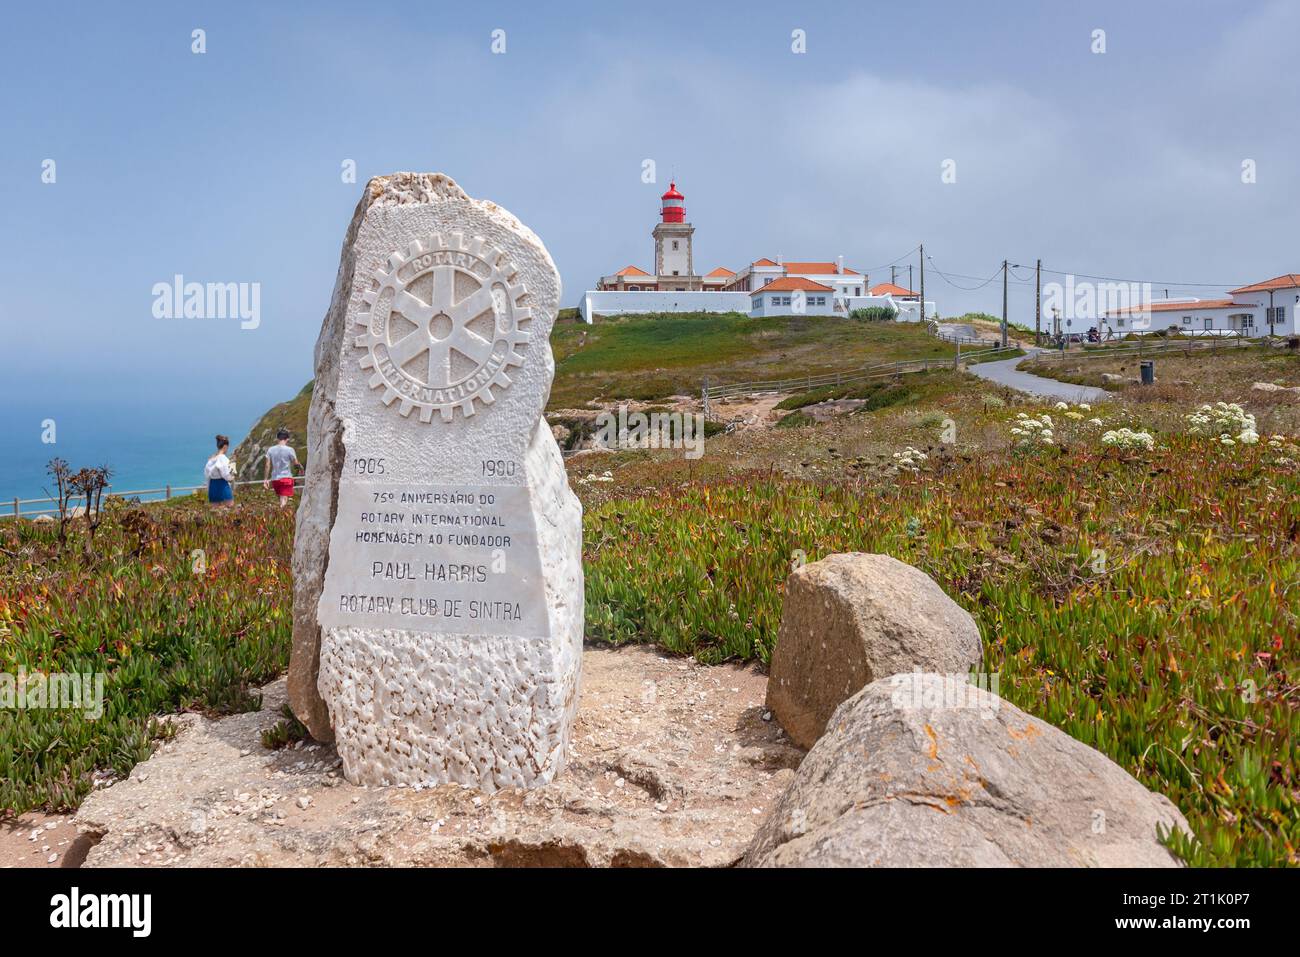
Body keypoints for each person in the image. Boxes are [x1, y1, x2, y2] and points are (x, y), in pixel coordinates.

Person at [262, 428, 301, 507]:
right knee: (284, 501)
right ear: (287, 439)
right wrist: (300, 467)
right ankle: (282, 517)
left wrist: (265, 479)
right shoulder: (290, 450)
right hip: (286, 478)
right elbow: (295, 463)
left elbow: (267, 465)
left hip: (275, 479)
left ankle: (280, 516)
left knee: (281, 499)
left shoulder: (270, 450)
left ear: (277, 438)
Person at [205, 435, 235, 506]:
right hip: (222, 486)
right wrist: (233, 468)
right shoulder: (223, 458)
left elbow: (206, 475)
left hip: (212, 487)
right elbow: (227, 476)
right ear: (225, 447)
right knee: (229, 510)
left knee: (215, 514)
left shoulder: (210, 460)